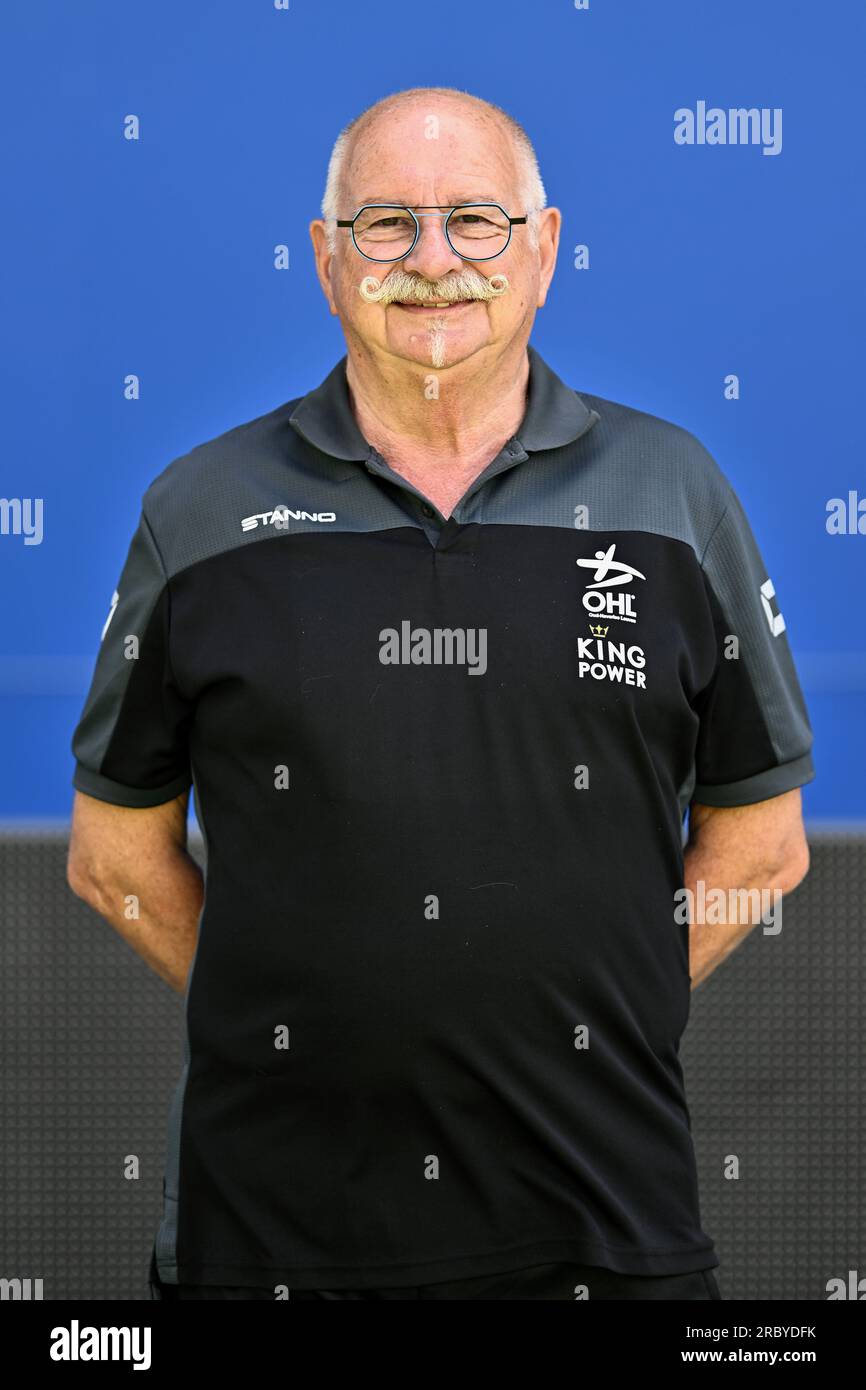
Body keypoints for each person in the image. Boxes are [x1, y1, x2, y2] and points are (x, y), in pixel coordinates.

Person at [67, 86, 813, 1301]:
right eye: (384, 224)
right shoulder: (198, 513)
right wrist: (308, 1026)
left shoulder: (674, 496)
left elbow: (760, 840)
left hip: (604, 1227)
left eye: (475, 220)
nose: (431, 262)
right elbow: (112, 859)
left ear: (545, 248)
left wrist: (591, 1010)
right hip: (269, 1235)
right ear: (324, 257)